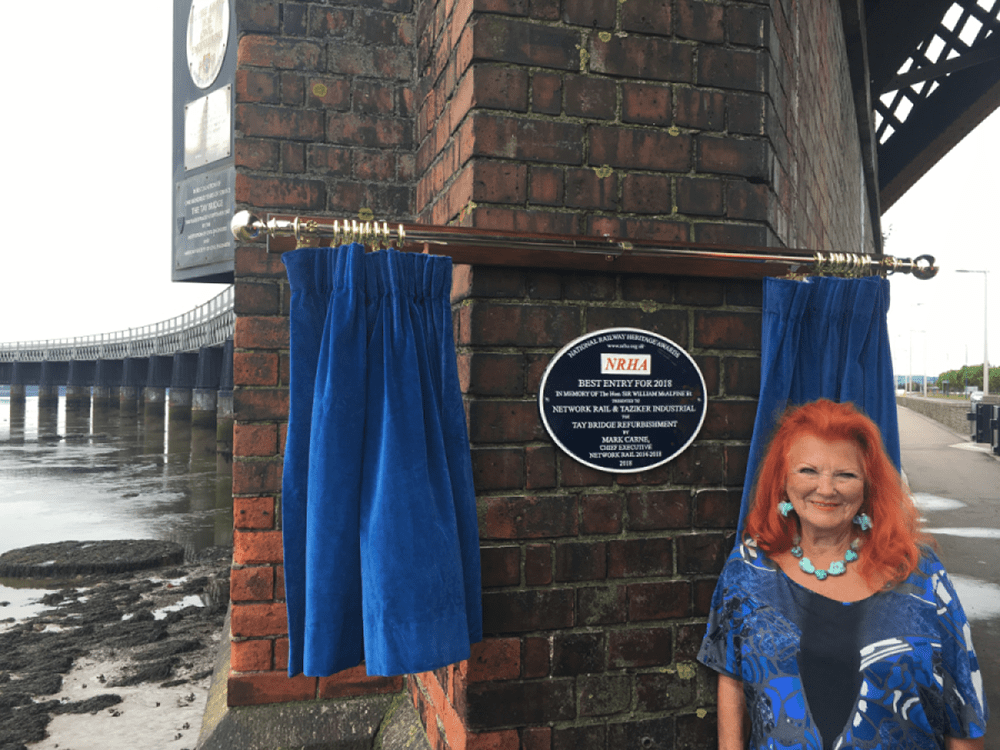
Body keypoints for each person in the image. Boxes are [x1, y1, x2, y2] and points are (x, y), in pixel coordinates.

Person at [698, 399, 988, 750]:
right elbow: (732, 676)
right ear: (783, 480)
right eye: (808, 471)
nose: (826, 489)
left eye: (845, 474)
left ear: (867, 485)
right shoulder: (750, 567)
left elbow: (963, 708)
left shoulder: (919, 572)